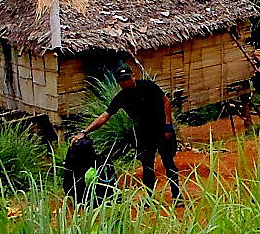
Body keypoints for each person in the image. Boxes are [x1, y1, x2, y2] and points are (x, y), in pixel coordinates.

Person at [73, 64, 180, 203]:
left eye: (127, 78)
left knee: (168, 163)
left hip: (162, 130)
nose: (126, 82)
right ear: (119, 83)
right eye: (122, 80)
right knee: (147, 166)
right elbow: (104, 116)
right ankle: (150, 199)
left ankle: (177, 196)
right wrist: (84, 132)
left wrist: (168, 125)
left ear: (133, 76)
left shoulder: (148, 86)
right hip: (143, 134)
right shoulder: (122, 97)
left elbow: (166, 101)